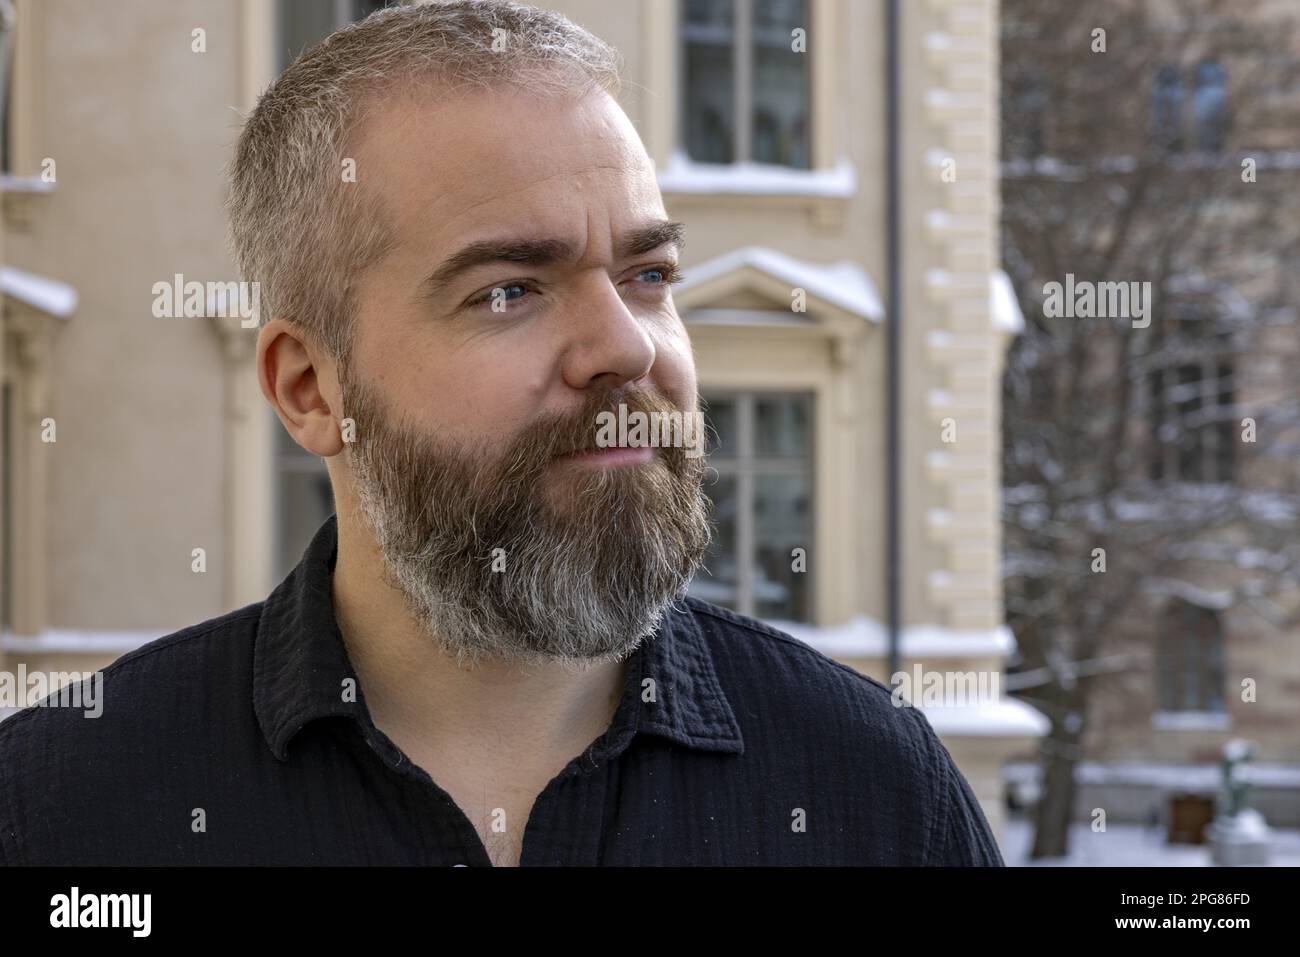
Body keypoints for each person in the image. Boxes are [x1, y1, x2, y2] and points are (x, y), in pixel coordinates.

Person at [0, 0, 1003, 867]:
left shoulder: (875, 798)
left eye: (649, 276)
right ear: (309, 388)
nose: (622, 347)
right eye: (508, 291)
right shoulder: (63, 811)